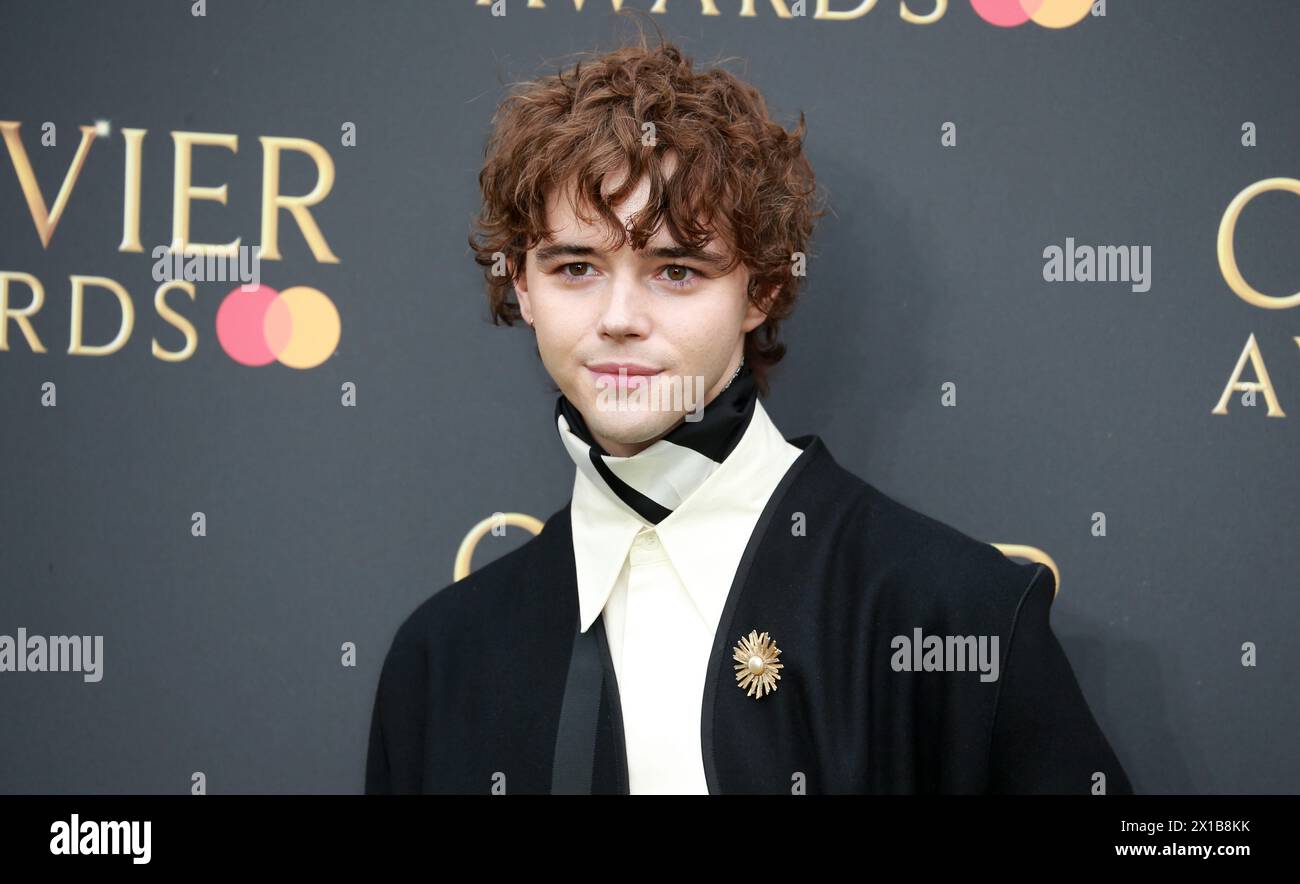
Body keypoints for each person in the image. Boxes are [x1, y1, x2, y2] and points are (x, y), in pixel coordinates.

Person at [365, 32, 1132, 795]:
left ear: (761, 291)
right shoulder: (440, 658)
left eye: (675, 269)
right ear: (523, 288)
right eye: (575, 268)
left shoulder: (955, 615)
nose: (619, 317)